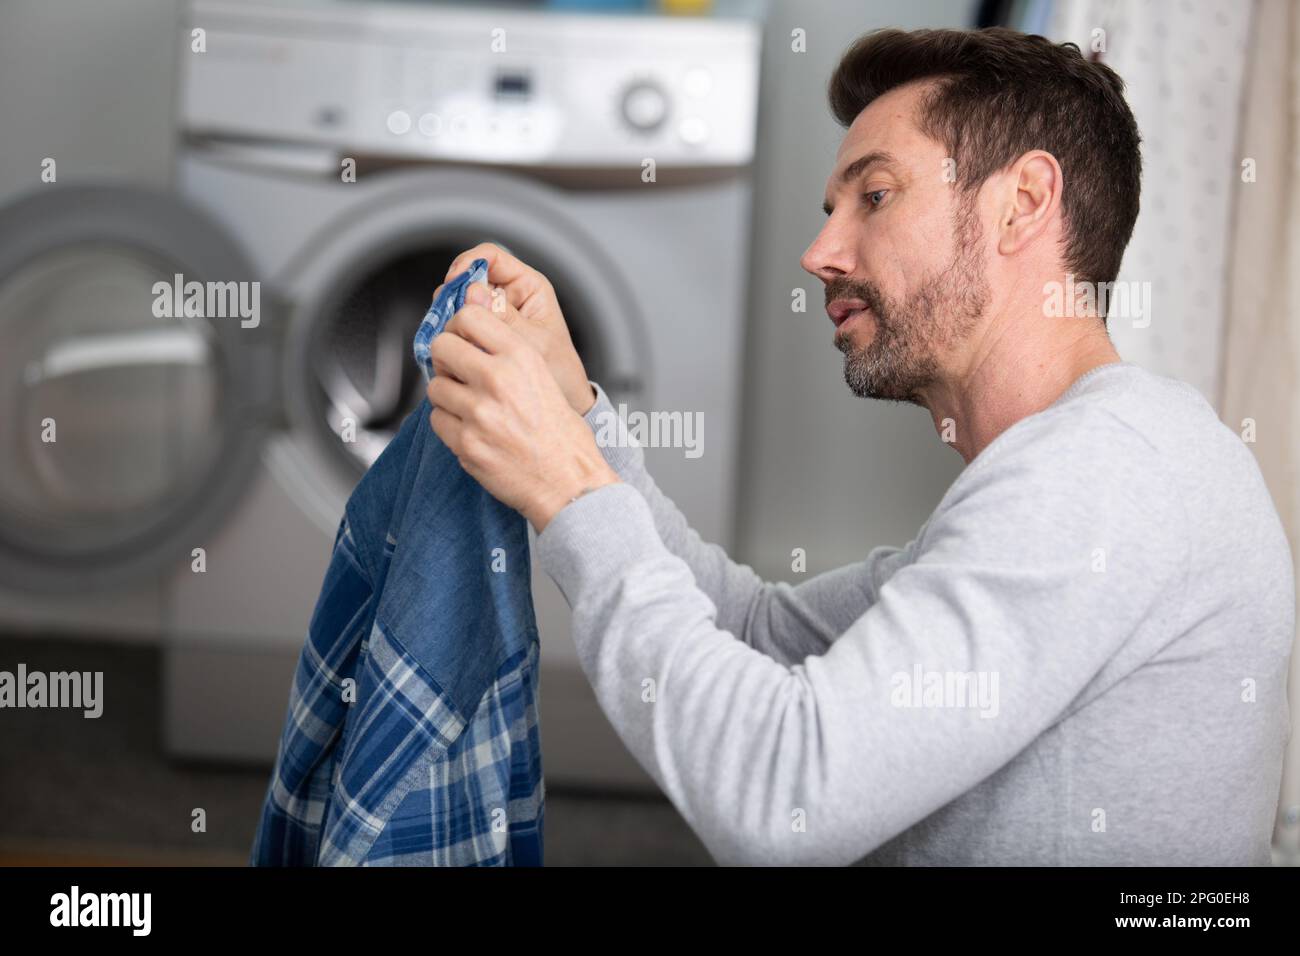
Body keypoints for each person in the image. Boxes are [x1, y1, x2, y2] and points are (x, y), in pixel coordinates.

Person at [420, 28, 1294, 865]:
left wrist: (572, 492)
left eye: (874, 196)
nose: (818, 253)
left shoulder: (1103, 472)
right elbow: (753, 631)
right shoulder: (1087, 459)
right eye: (830, 210)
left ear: (1023, 204)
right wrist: (575, 413)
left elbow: (782, 797)